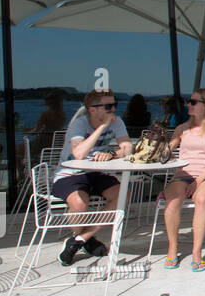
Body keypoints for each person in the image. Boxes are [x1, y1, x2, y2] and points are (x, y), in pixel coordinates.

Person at [52, 88, 131, 266]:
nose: (113, 110)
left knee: (122, 194)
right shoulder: (79, 124)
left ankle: (79, 239)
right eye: (108, 106)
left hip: (95, 173)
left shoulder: (116, 122)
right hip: (69, 173)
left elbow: (127, 147)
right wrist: (102, 127)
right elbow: (78, 153)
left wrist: (111, 153)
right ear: (92, 109)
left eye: (114, 105)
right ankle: (87, 241)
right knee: (80, 203)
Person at [159, 88, 205, 270]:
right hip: (182, 176)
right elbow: (167, 152)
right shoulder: (182, 129)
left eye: (194, 102)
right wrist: (164, 147)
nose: (189, 104)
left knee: (201, 199)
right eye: (190, 101)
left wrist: (198, 181)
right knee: (172, 201)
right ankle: (173, 249)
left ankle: (197, 252)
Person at [30, 89, 67, 158]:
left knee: (19, 149)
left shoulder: (46, 114)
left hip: (44, 142)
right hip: (54, 142)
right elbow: (54, 127)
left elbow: (36, 130)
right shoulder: (62, 114)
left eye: (46, 99)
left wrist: (29, 131)